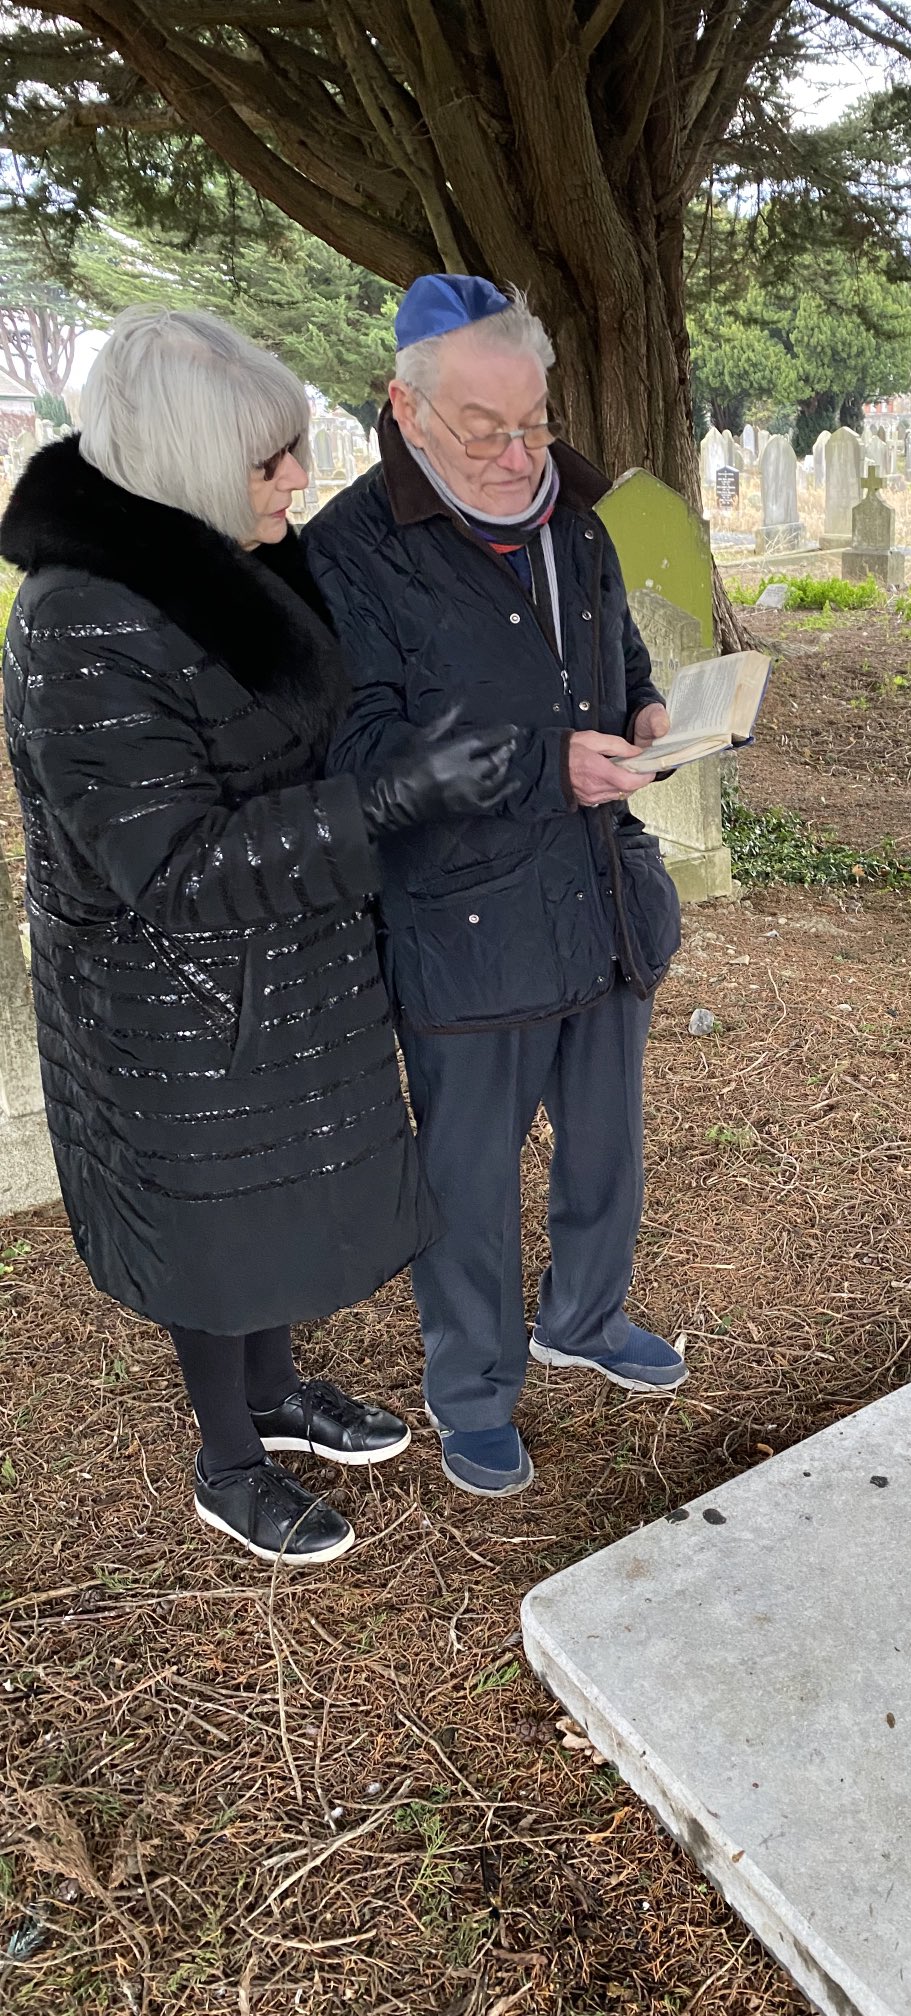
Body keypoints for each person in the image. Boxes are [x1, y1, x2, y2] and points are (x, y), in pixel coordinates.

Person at [0, 306, 520, 1563]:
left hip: (288, 953)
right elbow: (170, 869)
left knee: (280, 1204)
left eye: (294, 447)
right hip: (174, 991)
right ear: (181, 463)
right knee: (213, 1225)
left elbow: (303, 741)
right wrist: (394, 801)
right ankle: (226, 1460)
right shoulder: (81, 624)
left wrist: (413, 749)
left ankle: (278, 1400)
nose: (299, 479)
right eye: (269, 460)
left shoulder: (231, 560)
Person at [303, 275, 685, 1502]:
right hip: (463, 916)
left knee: (607, 1145)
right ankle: (471, 1385)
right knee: (469, 1178)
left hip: (597, 889)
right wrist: (540, 769)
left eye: (536, 422)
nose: (524, 454)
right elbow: (357, 758)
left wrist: (647, 705)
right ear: (406, 411)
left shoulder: (573, 512)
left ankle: (586, 1315)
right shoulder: (350, 554)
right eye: (489, 430)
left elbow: (613, 642)